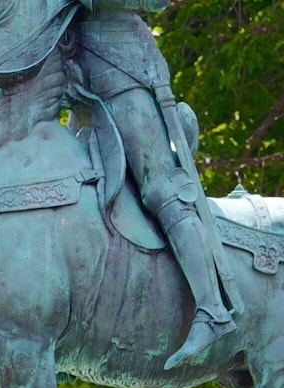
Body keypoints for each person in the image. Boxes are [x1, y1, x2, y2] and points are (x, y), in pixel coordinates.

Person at [69, 0, 231, 369]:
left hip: (121, 67)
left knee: (161, 189)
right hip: (75, 79)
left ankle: (212, 309)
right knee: (73, 196)